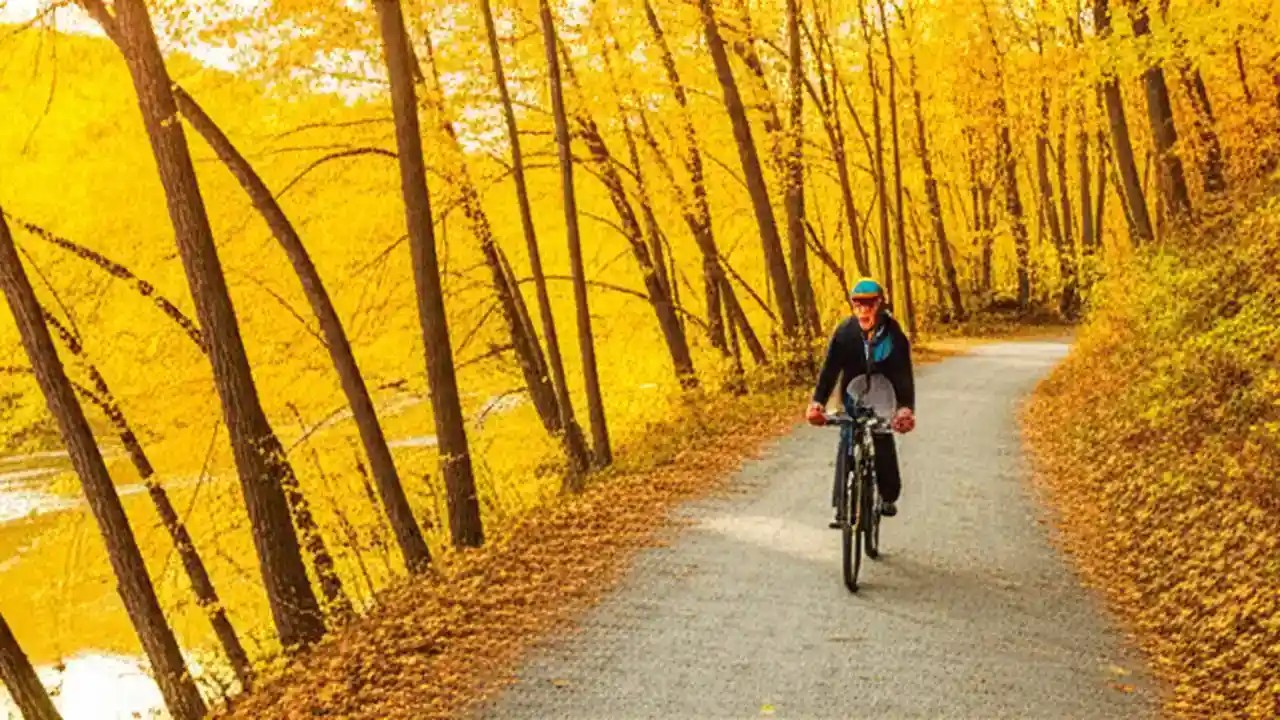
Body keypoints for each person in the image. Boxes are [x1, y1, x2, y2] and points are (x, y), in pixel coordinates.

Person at [806, 277, 915, 522]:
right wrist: (817, 403)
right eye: (858, 304)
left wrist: (905, 409)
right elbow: (829, 370)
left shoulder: (894, 335)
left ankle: (888, 496)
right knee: (847, 440)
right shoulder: (844, 333)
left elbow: (903, 375)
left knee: (881, 437)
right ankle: (842, 508)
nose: (863, 309)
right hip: (853, 393)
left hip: (883, 393)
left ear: (881, 304)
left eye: (869, 303)